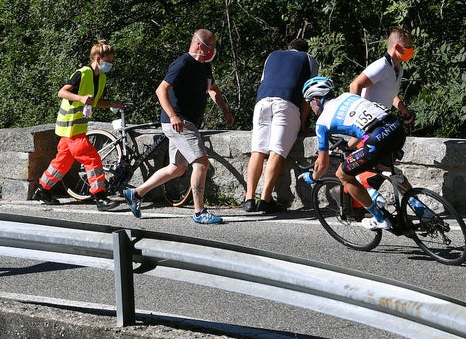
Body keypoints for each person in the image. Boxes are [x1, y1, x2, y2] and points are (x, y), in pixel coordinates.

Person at [123, 29, 234, 224]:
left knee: (177, 168)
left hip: (187, 123)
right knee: (201, 162)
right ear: (200, 45)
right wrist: (173, 116)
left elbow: (213, 89)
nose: (213, 51)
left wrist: (225, 110)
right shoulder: (183, 63)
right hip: (180, 122)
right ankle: (199, 212)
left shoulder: (205, 66)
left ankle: (136, 193)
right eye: (211, 47)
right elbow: (161, 90)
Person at [297, 76, 412, 231]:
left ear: (316, 101)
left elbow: (322, 164)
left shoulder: (322, 122)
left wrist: (312, 177)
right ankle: (424, 213)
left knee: (343, 175)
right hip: (395, 127)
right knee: (386, 168)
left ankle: (379, 218)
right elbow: (366, 127)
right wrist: (349, 145)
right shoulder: (348, 96)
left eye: (309, 102)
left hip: (376, 138)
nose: (311, 107)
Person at [32, 39, 126, 211]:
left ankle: (42, 190)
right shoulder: (82, 73)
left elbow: (95, 102)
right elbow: (62, 92)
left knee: (63, 161)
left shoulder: (101, 77)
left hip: (75, 128)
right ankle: (100, 197)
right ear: (98, 59)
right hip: (70, 127)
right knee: (92, 158)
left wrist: (113, 103)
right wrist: (81, 98)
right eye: (109, 60)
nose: (111, 64)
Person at [242, 38, 318, 213]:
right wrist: (302, 124)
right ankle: (266, 199)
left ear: (289, 48)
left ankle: (249, 197)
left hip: (262, 102)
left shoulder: (272, 56)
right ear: (306, 50)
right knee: (276, 152)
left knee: (258, 151)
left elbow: (264, 80)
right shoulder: (308, 59)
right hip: (286, 104)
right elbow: (309, 94)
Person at [349, 27, 415, 123]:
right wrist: (356, 117)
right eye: (408, 47)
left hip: (380, 121)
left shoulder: (398, 69)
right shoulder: (381, 66)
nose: (411, 50)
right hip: (366, 124)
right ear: (397, 47)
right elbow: (355, 85)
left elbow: (388, 93)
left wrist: (403, 109)